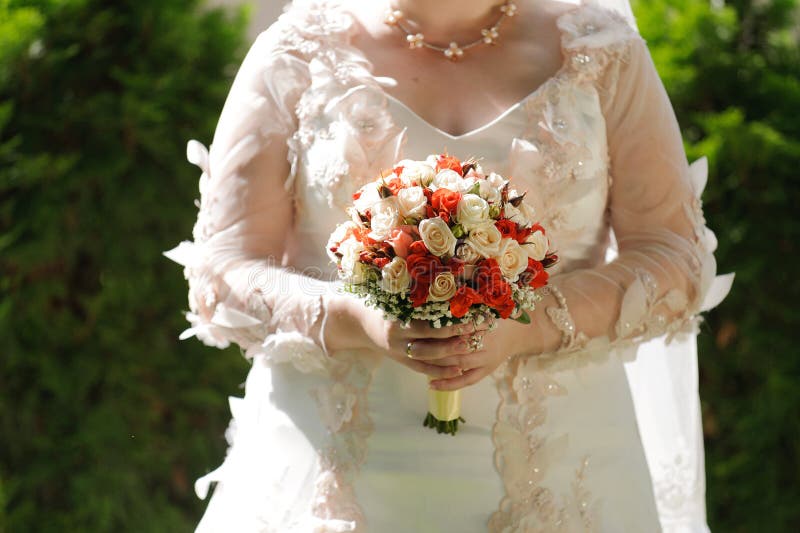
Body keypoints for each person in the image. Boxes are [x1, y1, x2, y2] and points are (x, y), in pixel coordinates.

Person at [164, 0, 733, 530]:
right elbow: (223, 271)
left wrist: (532, 325)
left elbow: (673, 258)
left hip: (567, 465)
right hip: (341, 466)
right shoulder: (294, 53)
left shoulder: (603, 53)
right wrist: (354, 317)